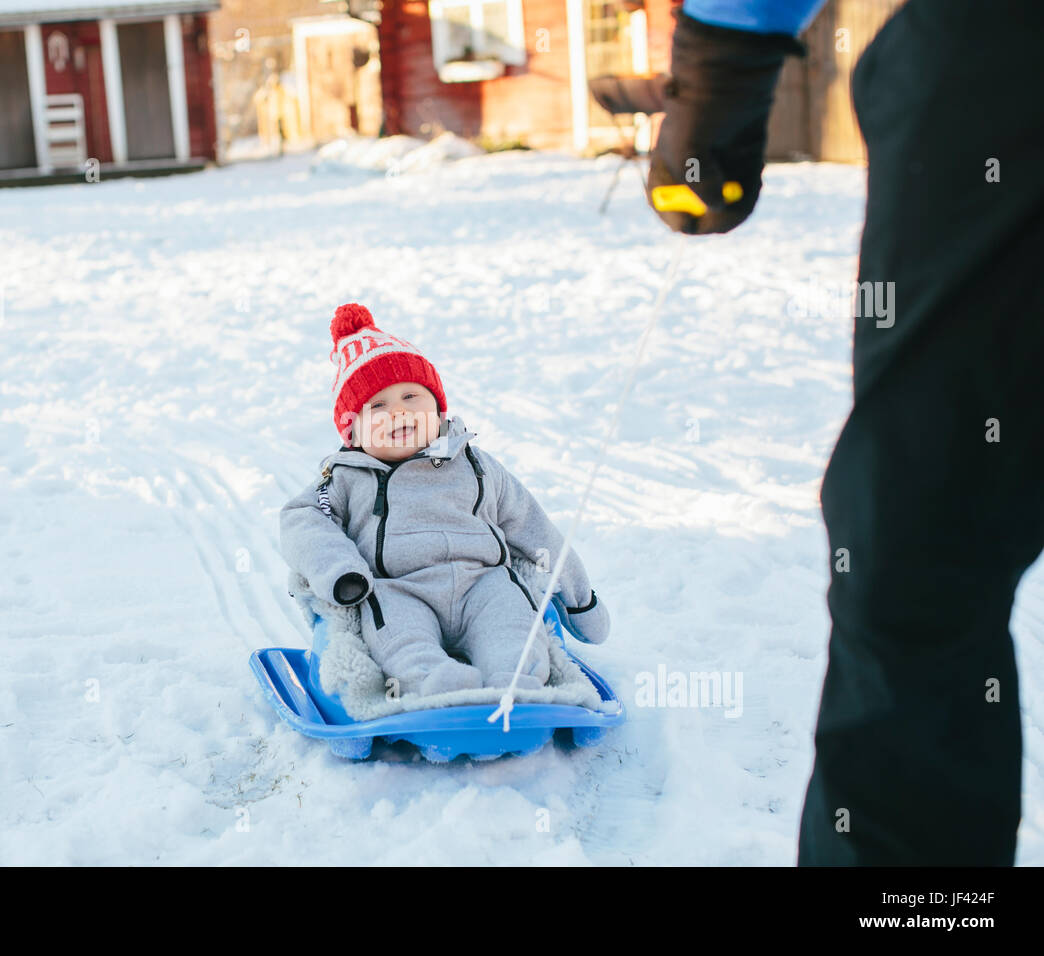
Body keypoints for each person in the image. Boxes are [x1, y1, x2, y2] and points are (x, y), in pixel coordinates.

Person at [647, 0, 1044, 864]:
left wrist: (726, 51)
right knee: (922, 531)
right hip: (1004, 68)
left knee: (916, 544)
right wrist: (726, 58)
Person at [279, 303, 609, 698]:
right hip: (399, 589)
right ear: (353, 431)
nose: (398, 411)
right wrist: (340, 570)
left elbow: (532, 525)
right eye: (378, 406)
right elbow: (302, 519)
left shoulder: (477, 465)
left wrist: (579, 598)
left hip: (483, 584)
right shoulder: (347, 476)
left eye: (411, 396)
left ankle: (516, 682)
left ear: (438, 409)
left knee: (513, 624)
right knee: (397, 637)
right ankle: (433, 683)